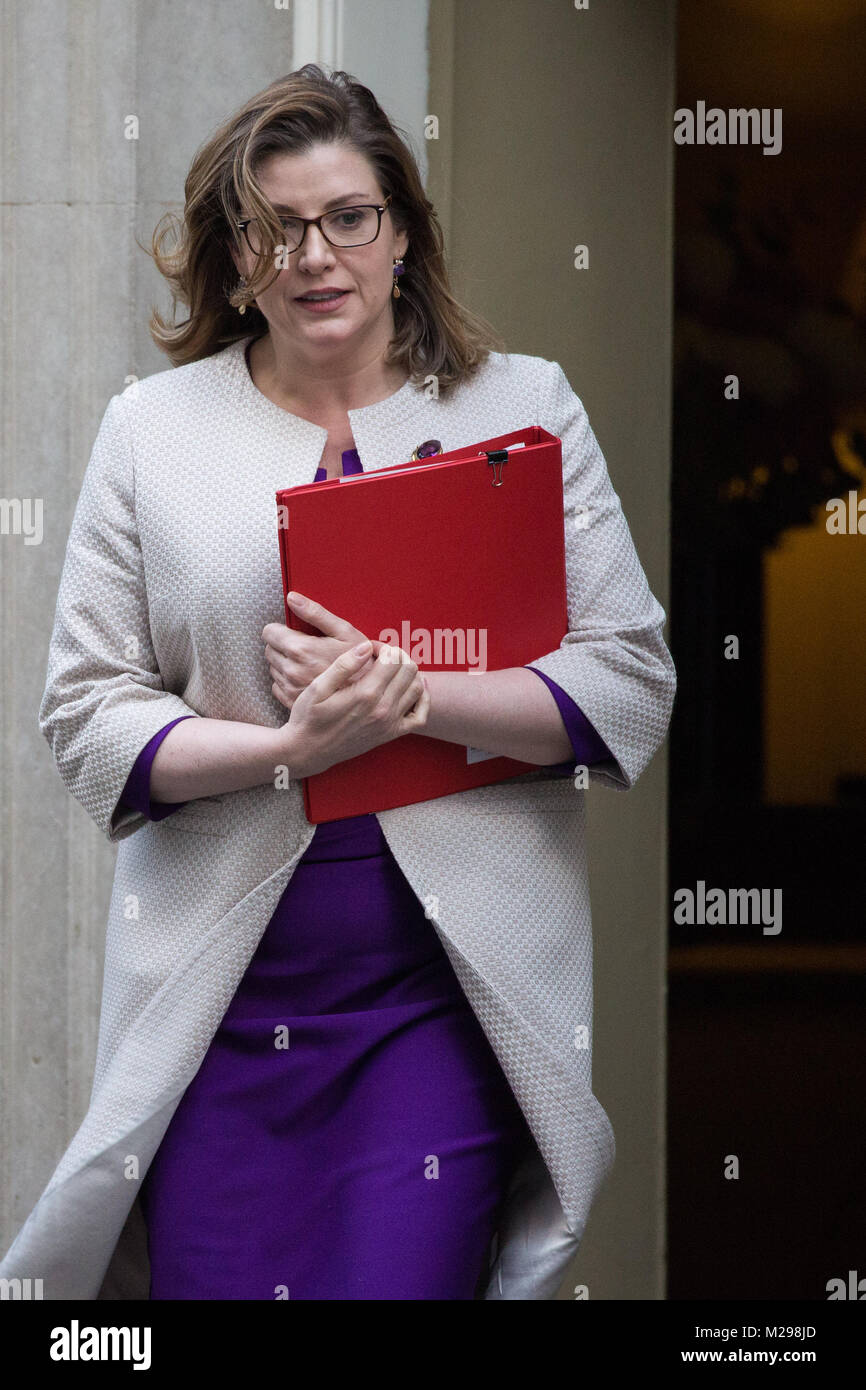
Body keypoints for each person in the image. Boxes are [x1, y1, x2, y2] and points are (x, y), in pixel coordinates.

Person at [0, 65, 675, 1301]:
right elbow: (87, 716)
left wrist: (415, 699)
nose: (316, 255)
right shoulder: (150, 430)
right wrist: (286, 750)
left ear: (402, 230)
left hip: (437, 1000)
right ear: (233, 250)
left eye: (349, 217)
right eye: (274, 226)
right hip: (218, 1005)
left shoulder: (522, 408)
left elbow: (628, 680)